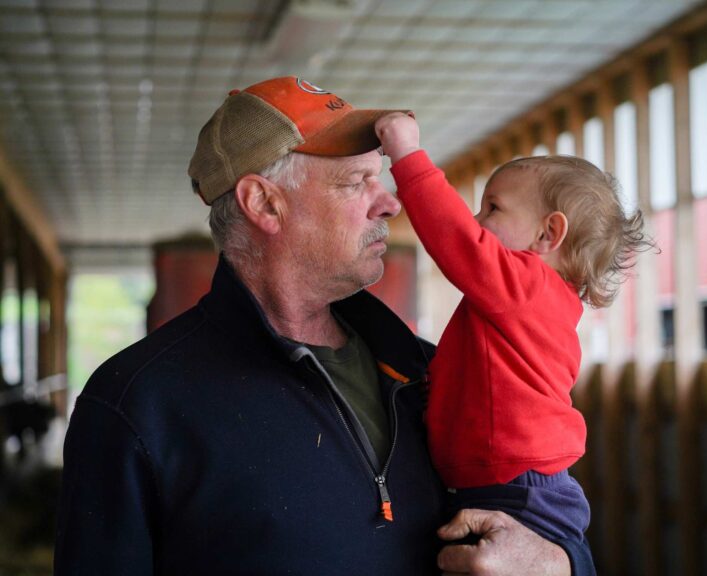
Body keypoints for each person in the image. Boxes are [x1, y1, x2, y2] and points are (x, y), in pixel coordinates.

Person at [54, 77, 595, 575]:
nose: (390, 204)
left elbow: (554, 532)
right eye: (357, 182)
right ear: (265, 203)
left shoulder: (426, 372)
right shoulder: (139, 402)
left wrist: (561, 563)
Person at [375, 112, 653, 549]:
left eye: (493, 208)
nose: (475, 218)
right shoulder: (530, 302)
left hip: (515, 487)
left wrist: (406, 154)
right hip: (508, 481)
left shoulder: (529, 286)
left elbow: (455, 237)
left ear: (548, 233)